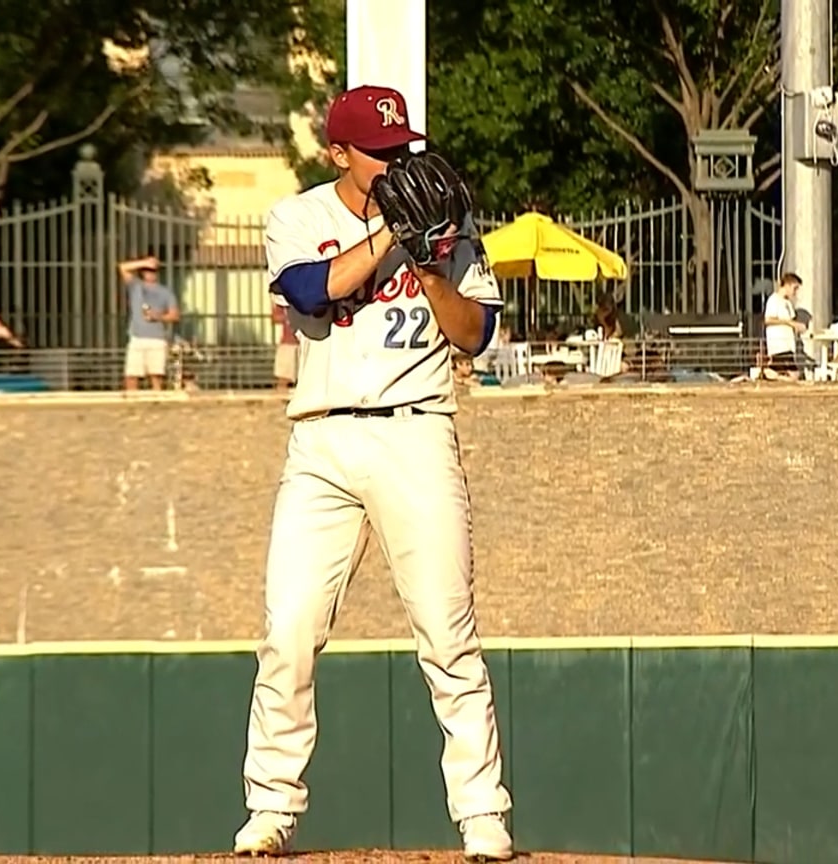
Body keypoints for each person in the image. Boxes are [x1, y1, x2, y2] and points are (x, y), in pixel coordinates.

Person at [233, 84, 514, 861]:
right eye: (380, 151)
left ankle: (482, 813)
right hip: (320, 443)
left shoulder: (447, 227)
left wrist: (431, 268)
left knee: (447, 635)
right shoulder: (298, 217)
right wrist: (395, 233)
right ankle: (271, 809)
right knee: (287, 630)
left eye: (403, 148)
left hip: (416, 433)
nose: (398, 161)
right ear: (338, 154)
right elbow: (309, 291)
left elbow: (475, 337)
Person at [118, 254, 180, 391]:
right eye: (147, 270)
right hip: (137, 337)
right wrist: (144, 262)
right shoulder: (135, 286)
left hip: (156, 338)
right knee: (131, 374)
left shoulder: (165, 292)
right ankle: (132, 402)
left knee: (156, 374)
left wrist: (158, 316)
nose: (150, 273)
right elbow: (123, 267)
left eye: (153, 271)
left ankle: (156, 401)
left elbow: (175, 315)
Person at [763, 272, 806, 380]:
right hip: (779, 345)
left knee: (792, 374)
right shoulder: (773, 300)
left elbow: (791, 321)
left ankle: (771, 374)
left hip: (788, 345)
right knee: (794, 375)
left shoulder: (788, 303)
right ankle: (769, 374)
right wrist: (789, 323)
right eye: (794, 288)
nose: (795, 292)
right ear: (787, 285)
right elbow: (768, 319)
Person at [272, 303, 298, 391]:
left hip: (304, 341)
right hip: (288, 343)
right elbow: (275, 318)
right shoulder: (283, 301)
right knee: (284, 377)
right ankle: (281, 399)